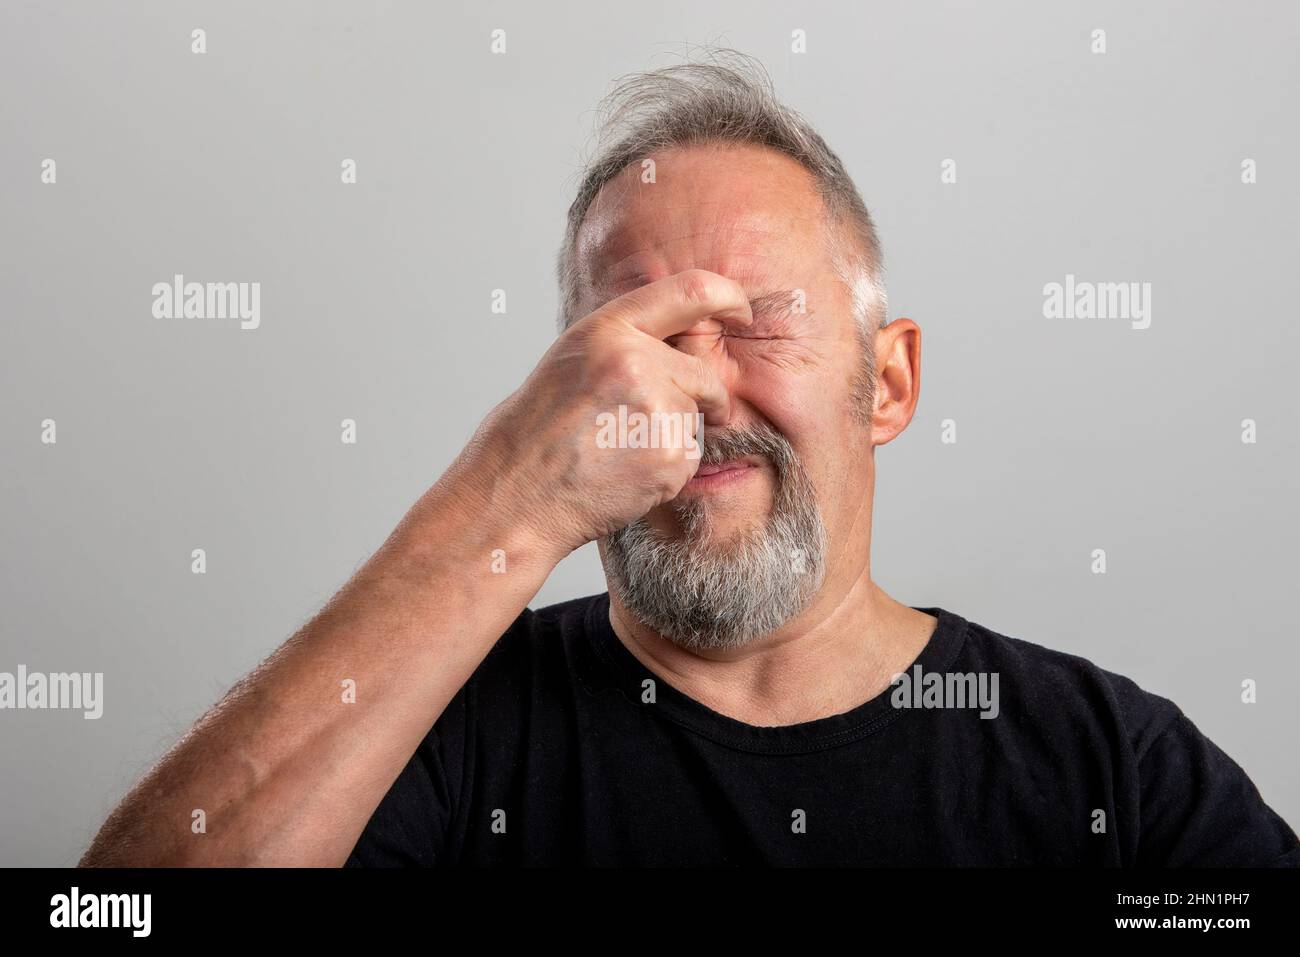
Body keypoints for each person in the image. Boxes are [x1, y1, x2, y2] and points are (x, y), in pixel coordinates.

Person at [81, 52, 1299, 867]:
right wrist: (502, 497)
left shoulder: (1108, 767)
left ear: (888, 381)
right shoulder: (437, 734)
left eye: (760, 318)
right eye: (635, 334)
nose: (697, 387)